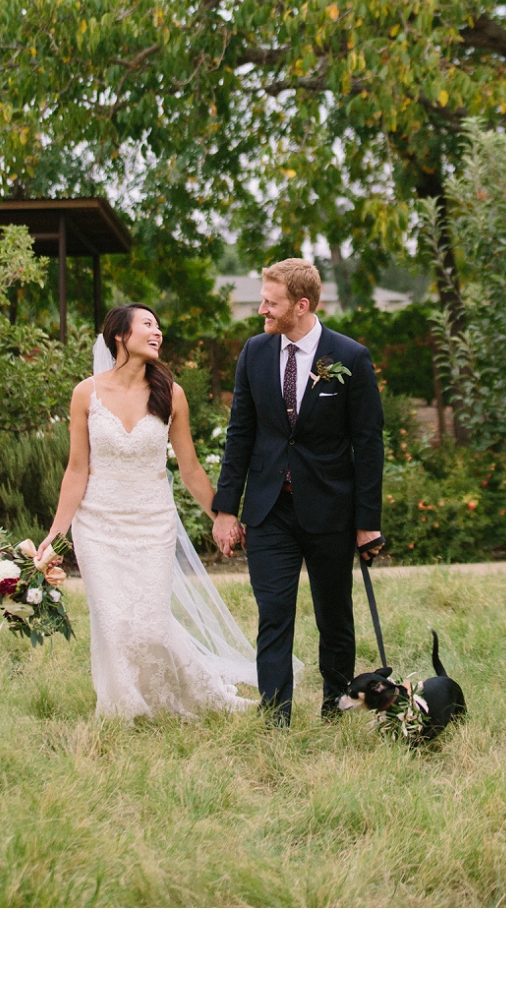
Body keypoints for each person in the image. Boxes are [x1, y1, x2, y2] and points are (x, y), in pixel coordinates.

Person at [38, 303, 255, 720]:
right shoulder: (86, 393)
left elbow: (190, 468)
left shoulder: (171, 394)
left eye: (159, 326)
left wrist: (222, 517)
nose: (158, 333)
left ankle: (191, 694)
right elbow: (76, 469)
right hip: (97, 523)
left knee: (151, 623)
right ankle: (125, 708)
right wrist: (56, 534)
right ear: (120, 335)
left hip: (152, 522)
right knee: (114, 621)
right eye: (148, 325)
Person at [212, 258, 385, 724]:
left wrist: (367, 523)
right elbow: (240, 433)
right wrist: (226, 509)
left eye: (271, 303)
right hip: (269, 510)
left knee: (334, 615)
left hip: (330, 509)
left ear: (301, 305)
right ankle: (275, 717)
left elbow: (369, 443)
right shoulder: (254, 352)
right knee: (273, 613)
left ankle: (335, 709)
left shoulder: (349, 357)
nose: (262, 310)